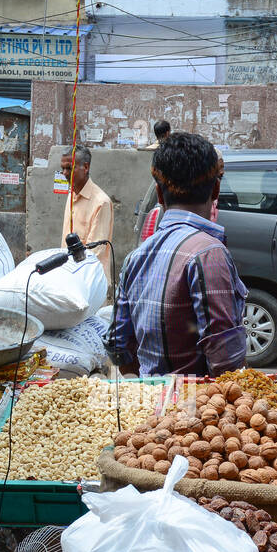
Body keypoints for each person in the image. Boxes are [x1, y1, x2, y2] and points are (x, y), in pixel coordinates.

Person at [108, 131, 246, 376]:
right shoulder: (209, 254)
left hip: (150, 404)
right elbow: (227, 365)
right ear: (216, 191)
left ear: (160, 196)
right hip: (196, 409)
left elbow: (118, 345)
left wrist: (149, 386)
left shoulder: (136, 258)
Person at [61, 145, 114, 277]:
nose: (65, 173)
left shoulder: (101, 202)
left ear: (85, 167)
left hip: (89, 279)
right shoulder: (71, 195)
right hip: (69, 274)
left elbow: (94, 252)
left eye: (69, 168)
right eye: (63, 169)